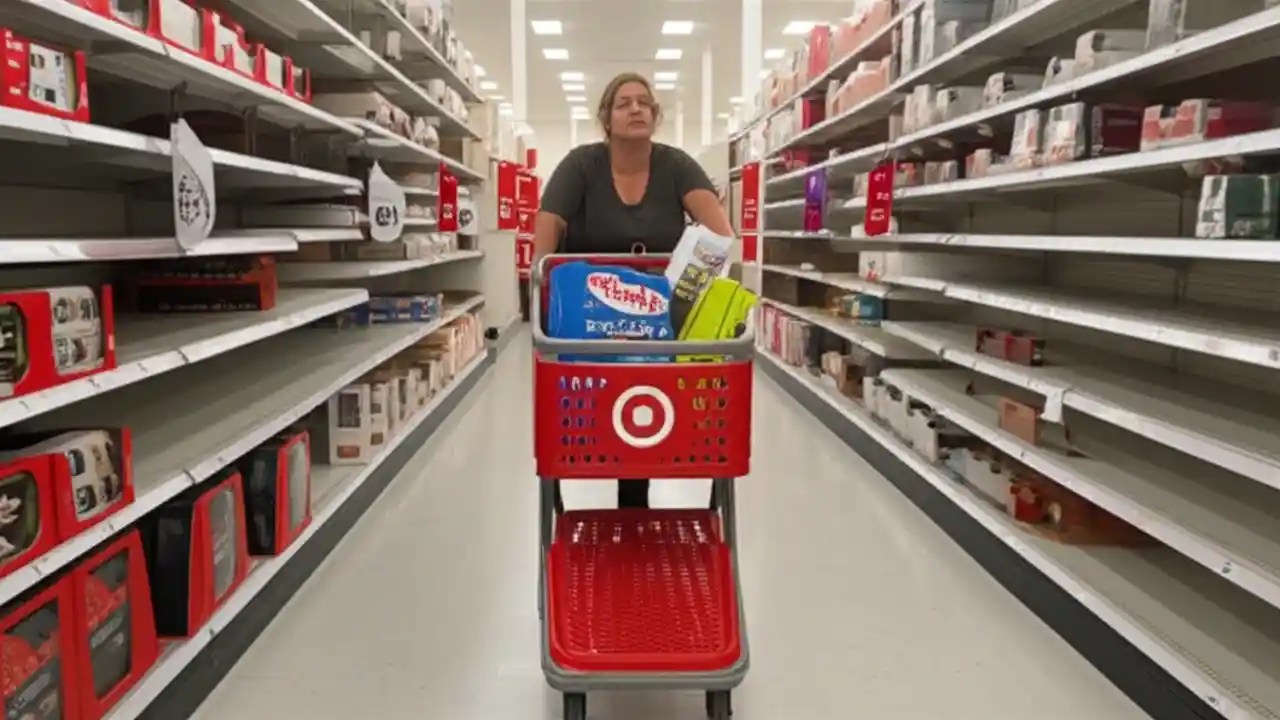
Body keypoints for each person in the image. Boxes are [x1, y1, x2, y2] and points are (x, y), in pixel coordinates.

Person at [533, 71, 735, 509]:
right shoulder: (581, 165)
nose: (635, 109)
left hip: (656, 315)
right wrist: (541, 282)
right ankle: (585, 500)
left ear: (655, 114)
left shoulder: (676, 165)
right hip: (590, 316)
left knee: (647, 398)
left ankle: (634, 506)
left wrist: (695, 286)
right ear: (606, 118)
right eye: (623, 103)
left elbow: (719, 232)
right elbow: (548, 224)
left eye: (643, 102)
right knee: (591, 407)